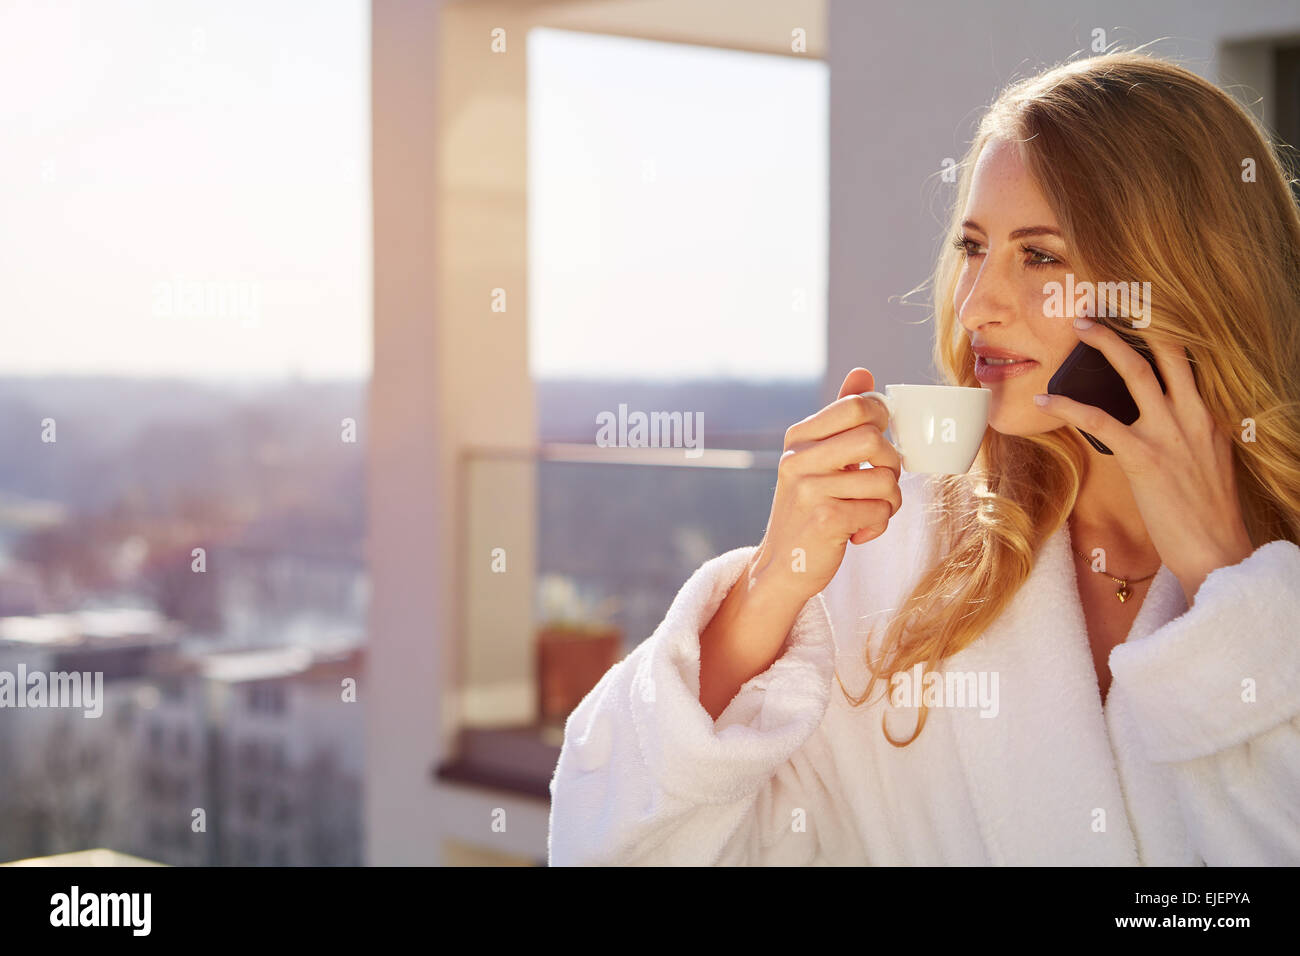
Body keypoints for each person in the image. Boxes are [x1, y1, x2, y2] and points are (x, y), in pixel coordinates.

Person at [547, 50, 1300, 865]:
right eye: (973, 248)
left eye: (1040, 255)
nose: (974, 305)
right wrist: (771, 586)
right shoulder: (897, 566)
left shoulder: (1277, 561)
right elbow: (620, 849)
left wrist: (1228, 580)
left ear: (1182, 279)